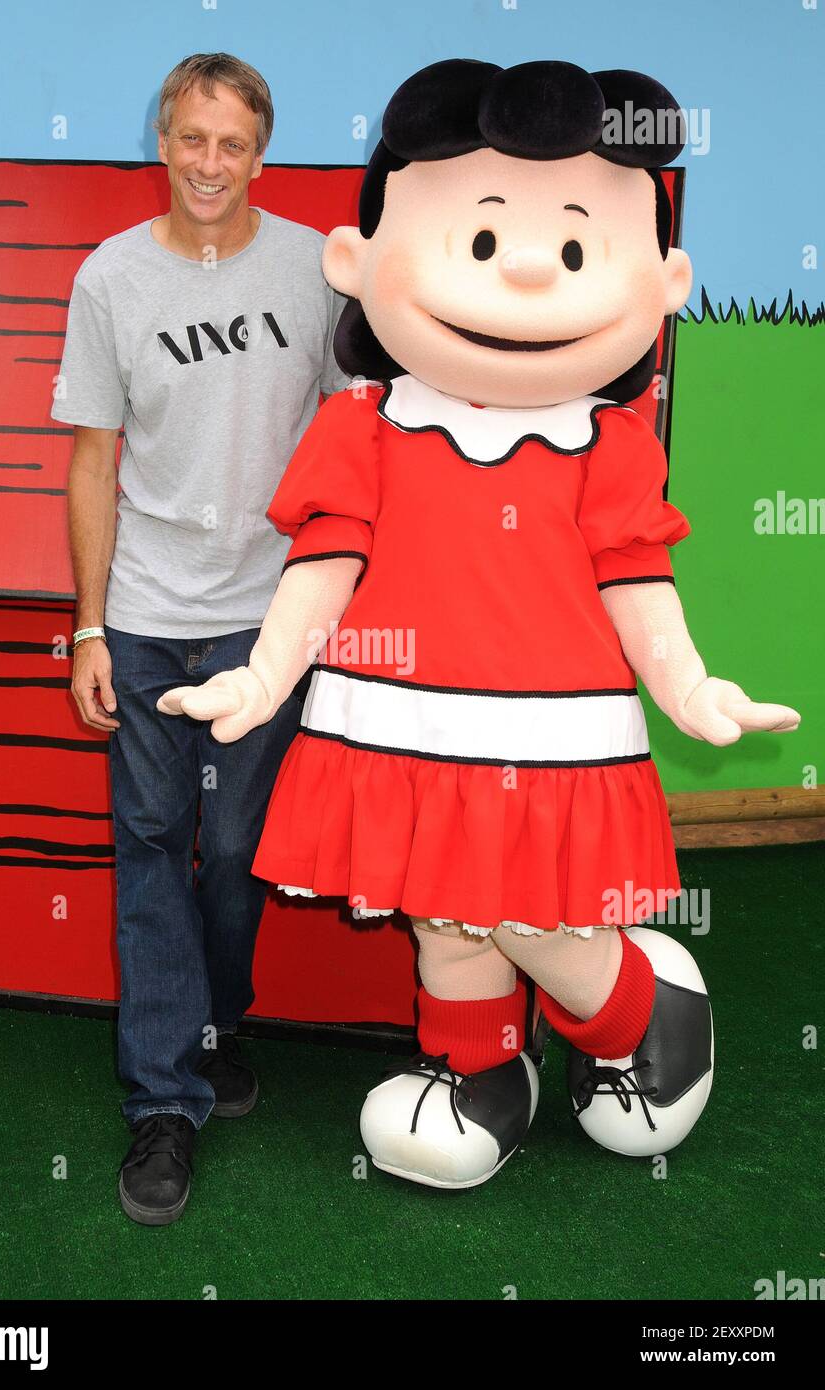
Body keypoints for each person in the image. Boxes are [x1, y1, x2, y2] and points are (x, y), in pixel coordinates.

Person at [158, 59, 801, 1190]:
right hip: (398, 728)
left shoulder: (607, 444)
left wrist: (692, 688)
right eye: (482, 238)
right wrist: (260, 681)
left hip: (549, 737)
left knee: (522, 913)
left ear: (663, 280)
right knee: (443, 922)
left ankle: (643, 1015)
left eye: (570, 249)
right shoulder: (367, 427)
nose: (525, 279)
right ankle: (482, 1074)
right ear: (355, 264)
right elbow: (323, 567)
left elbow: (635, 583)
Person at [51, 51, 349, 1225]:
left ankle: (218, 1022)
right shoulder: (110, 279)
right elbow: (90, 463)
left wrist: (338, 590)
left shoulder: (315, 270)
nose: (209, 163)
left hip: (262, 622)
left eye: (232, 143)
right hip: (142, 620)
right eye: (190, 139)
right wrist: (87, 628)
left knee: (230, 850)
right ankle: (162, 1103)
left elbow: (351, 432)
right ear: (161, 144)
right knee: (147, 849)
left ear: (259, 154)